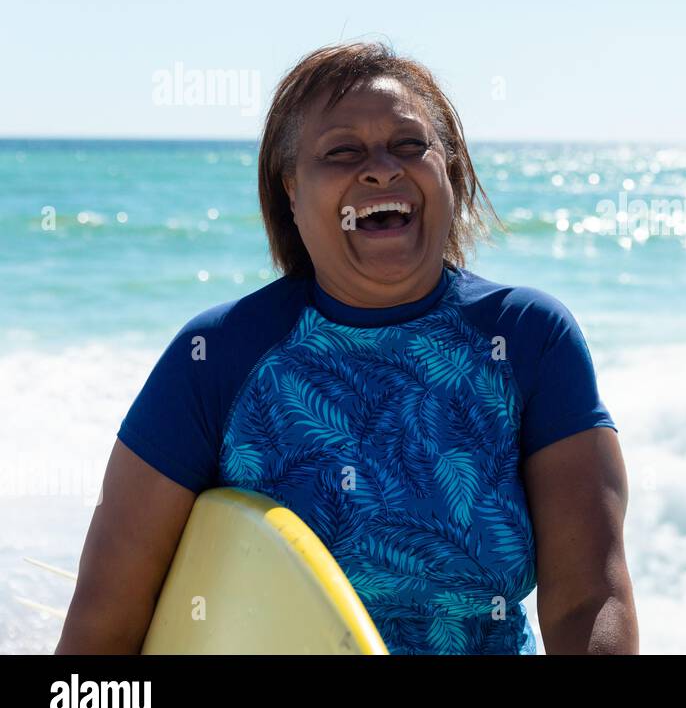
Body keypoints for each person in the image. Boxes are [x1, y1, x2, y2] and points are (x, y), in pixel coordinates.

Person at [55, 41, 637, 654]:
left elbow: (589, 599)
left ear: (453, 173)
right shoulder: (218, 357)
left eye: (410, 145)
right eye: (342, 152)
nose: (382, 168)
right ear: (291, 192)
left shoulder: (527, 338)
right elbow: (103, 629)